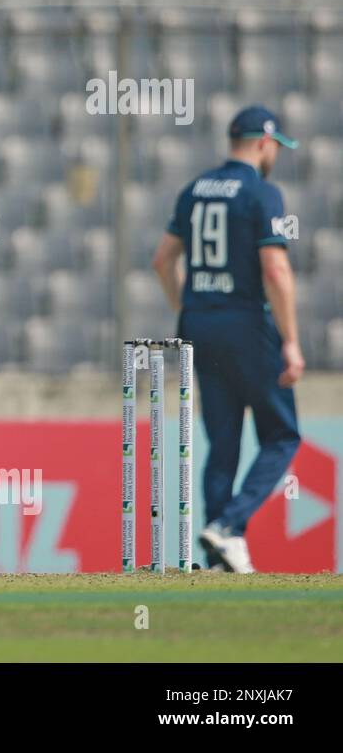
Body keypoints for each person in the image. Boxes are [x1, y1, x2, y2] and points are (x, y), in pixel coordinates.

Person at [151, 105, 303, 573]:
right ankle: (229, 526)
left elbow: (162, 261)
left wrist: (187, 306)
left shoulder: (194, 190)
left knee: (222, 440)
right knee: (281, 436)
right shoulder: (261, 193)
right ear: (264, 143)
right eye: (276, 146)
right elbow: (275, 269)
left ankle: (218, 552)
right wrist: (292, 340)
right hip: (245, 323)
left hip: (199, 322)